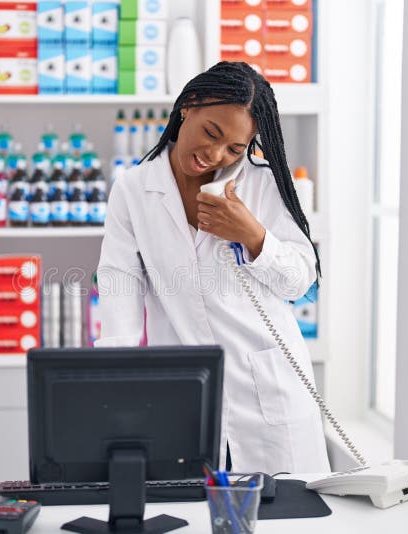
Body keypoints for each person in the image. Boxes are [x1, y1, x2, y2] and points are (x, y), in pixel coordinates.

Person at [96, 62, 329, 474]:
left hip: (267, 392)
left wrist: (253, 235)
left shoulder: (263, 184)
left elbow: (300, 281)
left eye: (234, 149)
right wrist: (115, 389)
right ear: (189, 105)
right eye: (211, 133)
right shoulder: (133, 190)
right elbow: (119, 289)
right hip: (181, 395)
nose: (215, 155)